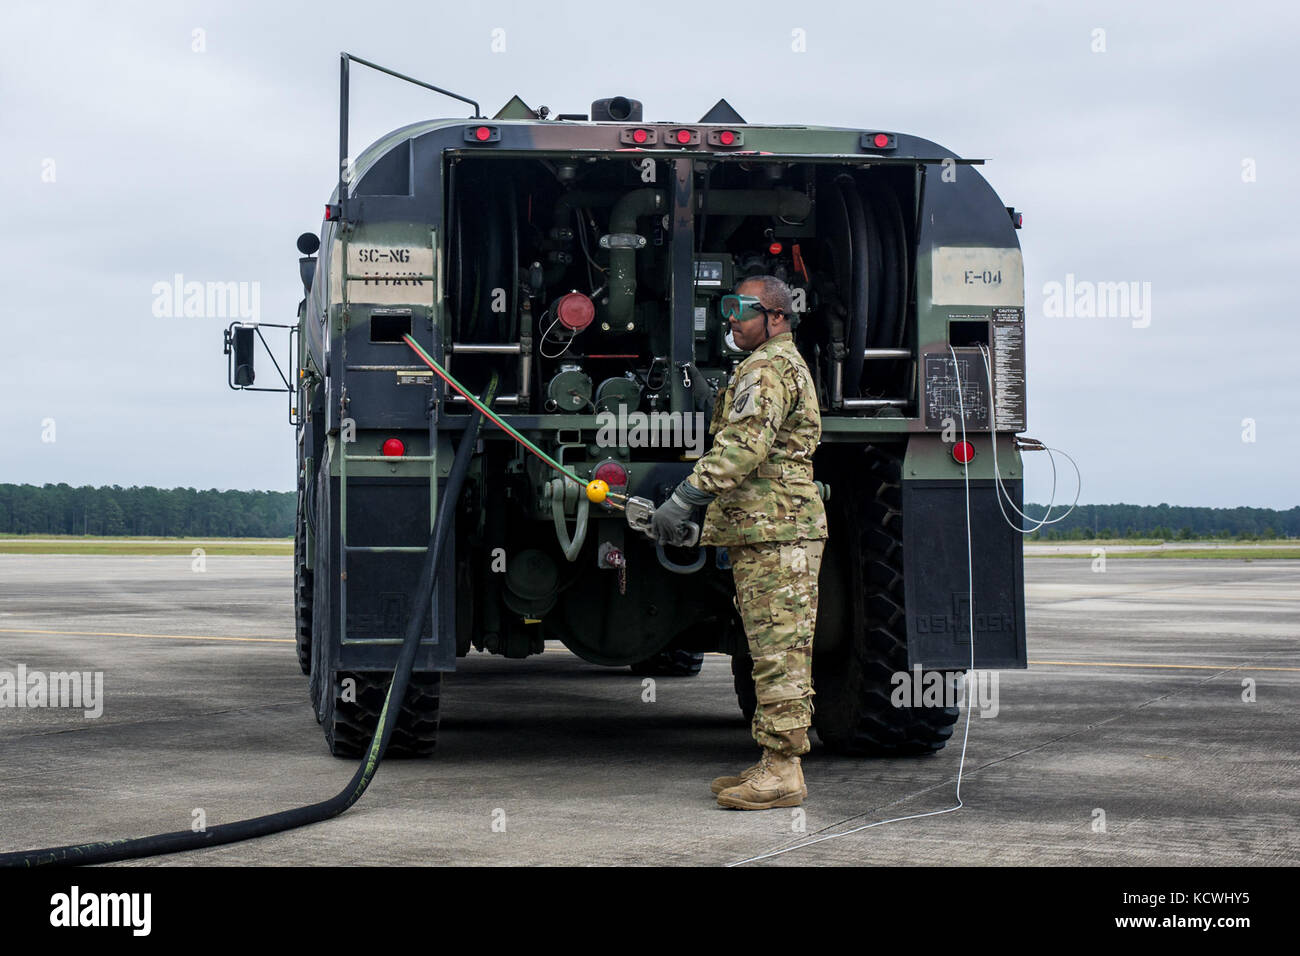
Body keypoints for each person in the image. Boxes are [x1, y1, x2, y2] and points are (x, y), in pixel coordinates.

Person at [651, 275, 827, 809]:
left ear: (776, 316)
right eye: (727, 308)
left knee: (780, 653)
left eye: (742, 309)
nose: (730, 319)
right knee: (771, 649)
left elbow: (742, 449)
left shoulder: (768, 368)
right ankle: (773, 760)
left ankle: (783, 771)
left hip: (778, 531)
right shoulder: (770, 364)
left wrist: (685, 497)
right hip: (769, 528)